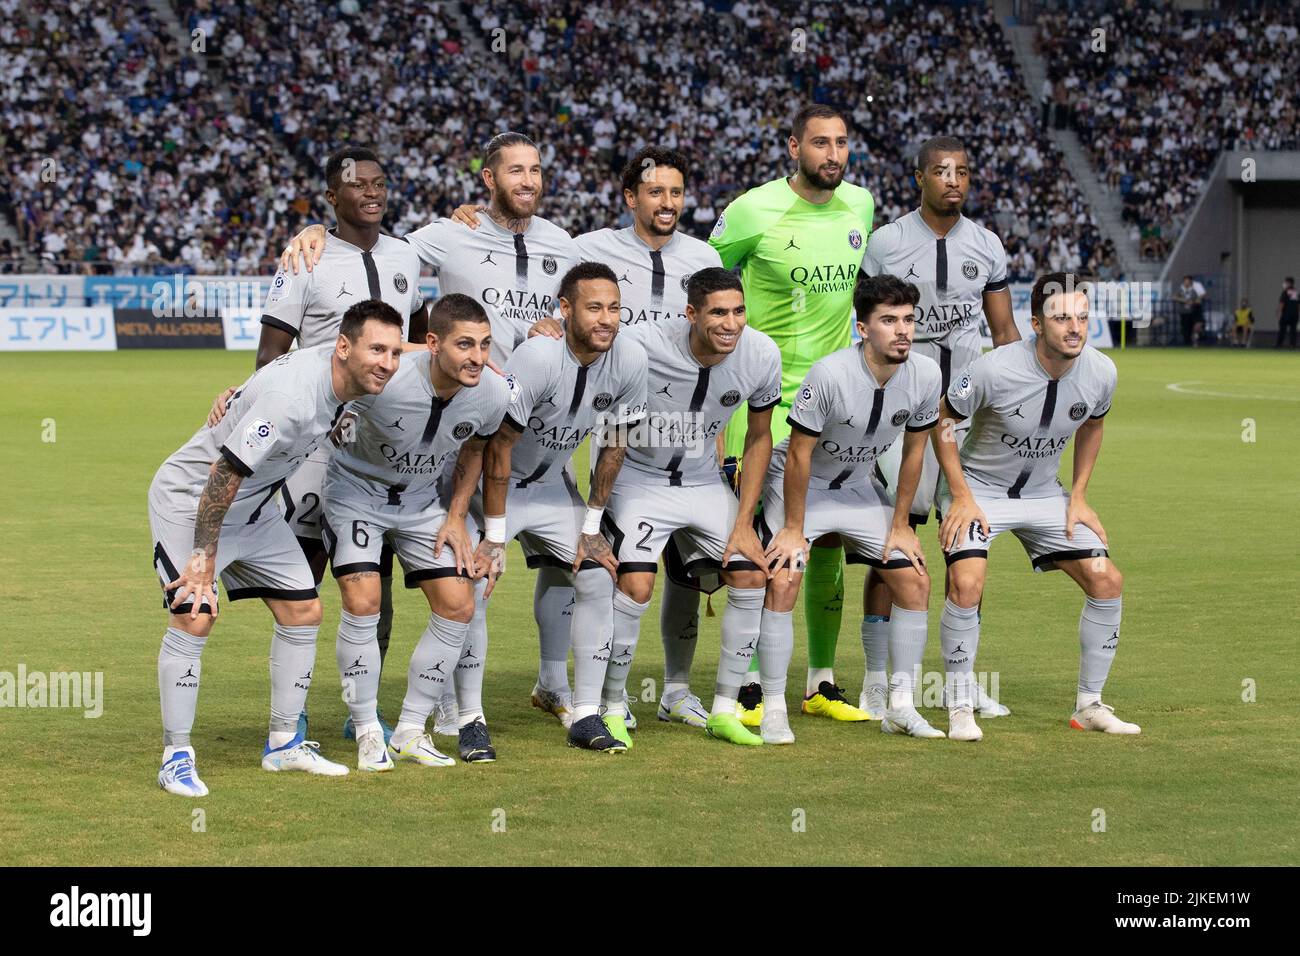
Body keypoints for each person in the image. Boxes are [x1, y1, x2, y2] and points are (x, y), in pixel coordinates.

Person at [282, 132, 583, 733]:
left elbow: (587, 297)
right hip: (423, 431)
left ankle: (514, 695)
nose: (528, 180)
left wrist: (560, 315)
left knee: (515, 565)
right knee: (375, 572)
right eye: (515, 170)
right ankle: (377, 711)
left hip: (526, 430)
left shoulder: (564, 243)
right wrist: (313, 232)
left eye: (536, 170)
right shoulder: (446, 234)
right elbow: (369, 240)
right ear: (489, 179)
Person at [212, 145, 425, 744]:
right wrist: (247, 400)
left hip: (378, 446)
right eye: (358, 186)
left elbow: (423, 342)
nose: (373, 193)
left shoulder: (407, 255)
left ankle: (365, 711)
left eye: (380, 183)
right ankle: (293, 715)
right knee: (301, 579)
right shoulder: (303, 258)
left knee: (371, 583)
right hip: (313, 442)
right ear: (332, 197)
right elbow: (271, 351)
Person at [150, 300, 404, 796]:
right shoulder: (294, 398)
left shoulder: (348, 377)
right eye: (377, 349)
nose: (388, 363)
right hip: (192, 499)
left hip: (256, 507)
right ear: (343, 346)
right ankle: (175, 755)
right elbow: (224, 471)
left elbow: (421, 353)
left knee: (303, 611)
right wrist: (202, 561)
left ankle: (285, 744)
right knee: (195, 610)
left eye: (394, 352)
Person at [708, 103, 876, 726]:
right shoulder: (753, 211)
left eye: (841, 144)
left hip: (839, 408)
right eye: (820, 144)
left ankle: (821, 682)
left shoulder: (859, 205)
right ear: (792, 147)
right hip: (766, 408)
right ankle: (750, 685)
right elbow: (699, 277)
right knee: (767, 543)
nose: (832, 155)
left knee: (828, 539)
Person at [933, 273, 1138, 742]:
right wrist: (960, 495)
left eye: (1082, 317)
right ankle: (960, 705)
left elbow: (1092, 427)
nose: (1075, 328)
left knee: (1107, 579)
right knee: (967, 582)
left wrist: (1080, 495)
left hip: (1047, 495)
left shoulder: (1102, 371)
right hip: (980, 491)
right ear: (1035, 324)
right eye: (1062, 317)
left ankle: (1089, 705)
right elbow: (943, 421)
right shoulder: (992, 368)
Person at [864, 136, 1020, 719]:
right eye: (941, 172)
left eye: (962, 172)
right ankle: (878, 683)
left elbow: (1004, 337)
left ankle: (963, 678)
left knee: (966, 544)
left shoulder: (987, 245)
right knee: (891, 540)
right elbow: (865, 323)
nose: (953, 181)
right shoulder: (886, 242)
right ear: (919, 178)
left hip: (966, 414)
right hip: (902, 407)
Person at [598, 267, 782, 749]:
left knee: (751, 573)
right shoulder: (640, 344)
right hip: (640, 479)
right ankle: (612, 704)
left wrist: (744, 522)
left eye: (739, 311)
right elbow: (610, 426)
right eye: (719, 312)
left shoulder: (761, 354)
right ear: (691, 313)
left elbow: (760, 437)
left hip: (704, 482)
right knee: (636, 581)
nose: (731, 323)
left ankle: (723, 707)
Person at [574, 146, 725, 731]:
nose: (667, 203)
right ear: (630, 197)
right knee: (628, 571)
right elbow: (545, 276)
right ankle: (598, 691)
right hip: (623, 434)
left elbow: (724, 343)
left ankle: (677, 689)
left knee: (690, 573)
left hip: (693, 436)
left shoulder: (704, 255)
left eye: (676, 192)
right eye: (655, 192)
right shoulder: (590, 249)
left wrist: (718, 433)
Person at [757, 275, 945, 744]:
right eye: (888, 320)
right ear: (862, 328)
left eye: (908, 319)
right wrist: (794, 528)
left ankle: (899, 706)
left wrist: (901, 525)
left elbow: (915, 453)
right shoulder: (830, 374)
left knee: (915, 579)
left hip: (859, 487)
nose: (902, 330)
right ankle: (774, 706)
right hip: (802, 485)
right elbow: (798, 454)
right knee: (785, 574)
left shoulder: (926, 374)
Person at [324, 294, 509, 768]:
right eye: (465, 344)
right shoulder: (387, 375)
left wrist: (456, 517)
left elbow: (474, 452)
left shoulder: (490, 391)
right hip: (356, 493)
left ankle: (410, 729)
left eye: (485, 345)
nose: (478, 357)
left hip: (423, 503)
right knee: (363, 600)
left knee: (459, 603)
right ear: (431, 344)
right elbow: (319, 371)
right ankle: (366, 729)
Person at [475, 262, 648, 753]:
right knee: (472, 582)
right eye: (594, 308)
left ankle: (587, 713)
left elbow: (614, 444)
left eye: (614, 308)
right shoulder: (537, 356)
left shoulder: (630, 359)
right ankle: (462, 710)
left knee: (595, 572)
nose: (607, 319)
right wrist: (493, 534)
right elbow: (497, 447)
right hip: (495, 488)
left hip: (553, 486)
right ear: (566, 309)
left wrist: (593, 526)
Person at [1174, 275, 1206, 346]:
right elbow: (1174, 297)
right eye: (1185, 281)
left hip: (1195, 311)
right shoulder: (1180, 289)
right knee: (1186, 329)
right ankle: (1188, 343)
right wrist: (1184, 300)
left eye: (1188, 281)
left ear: (1191, 282)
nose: (1186, 283)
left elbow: (1200, 299)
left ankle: (1197, 340)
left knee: (1197, 326)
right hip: (1184, 312)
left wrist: (1193, 302)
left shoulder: (1195, 289)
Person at [1276, 277, 1298, 349]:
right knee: (1293, 330)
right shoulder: (1295, 292)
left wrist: (1279, 312)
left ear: (1289, 283)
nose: (1284, 284)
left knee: (1282, 330)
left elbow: (1282, 303)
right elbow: (1298, 304)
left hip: (1286, 314)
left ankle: (1279, 344)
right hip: (1294, 314)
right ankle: (1292, 345)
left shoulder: (1285, 292)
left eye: (1285, 283)